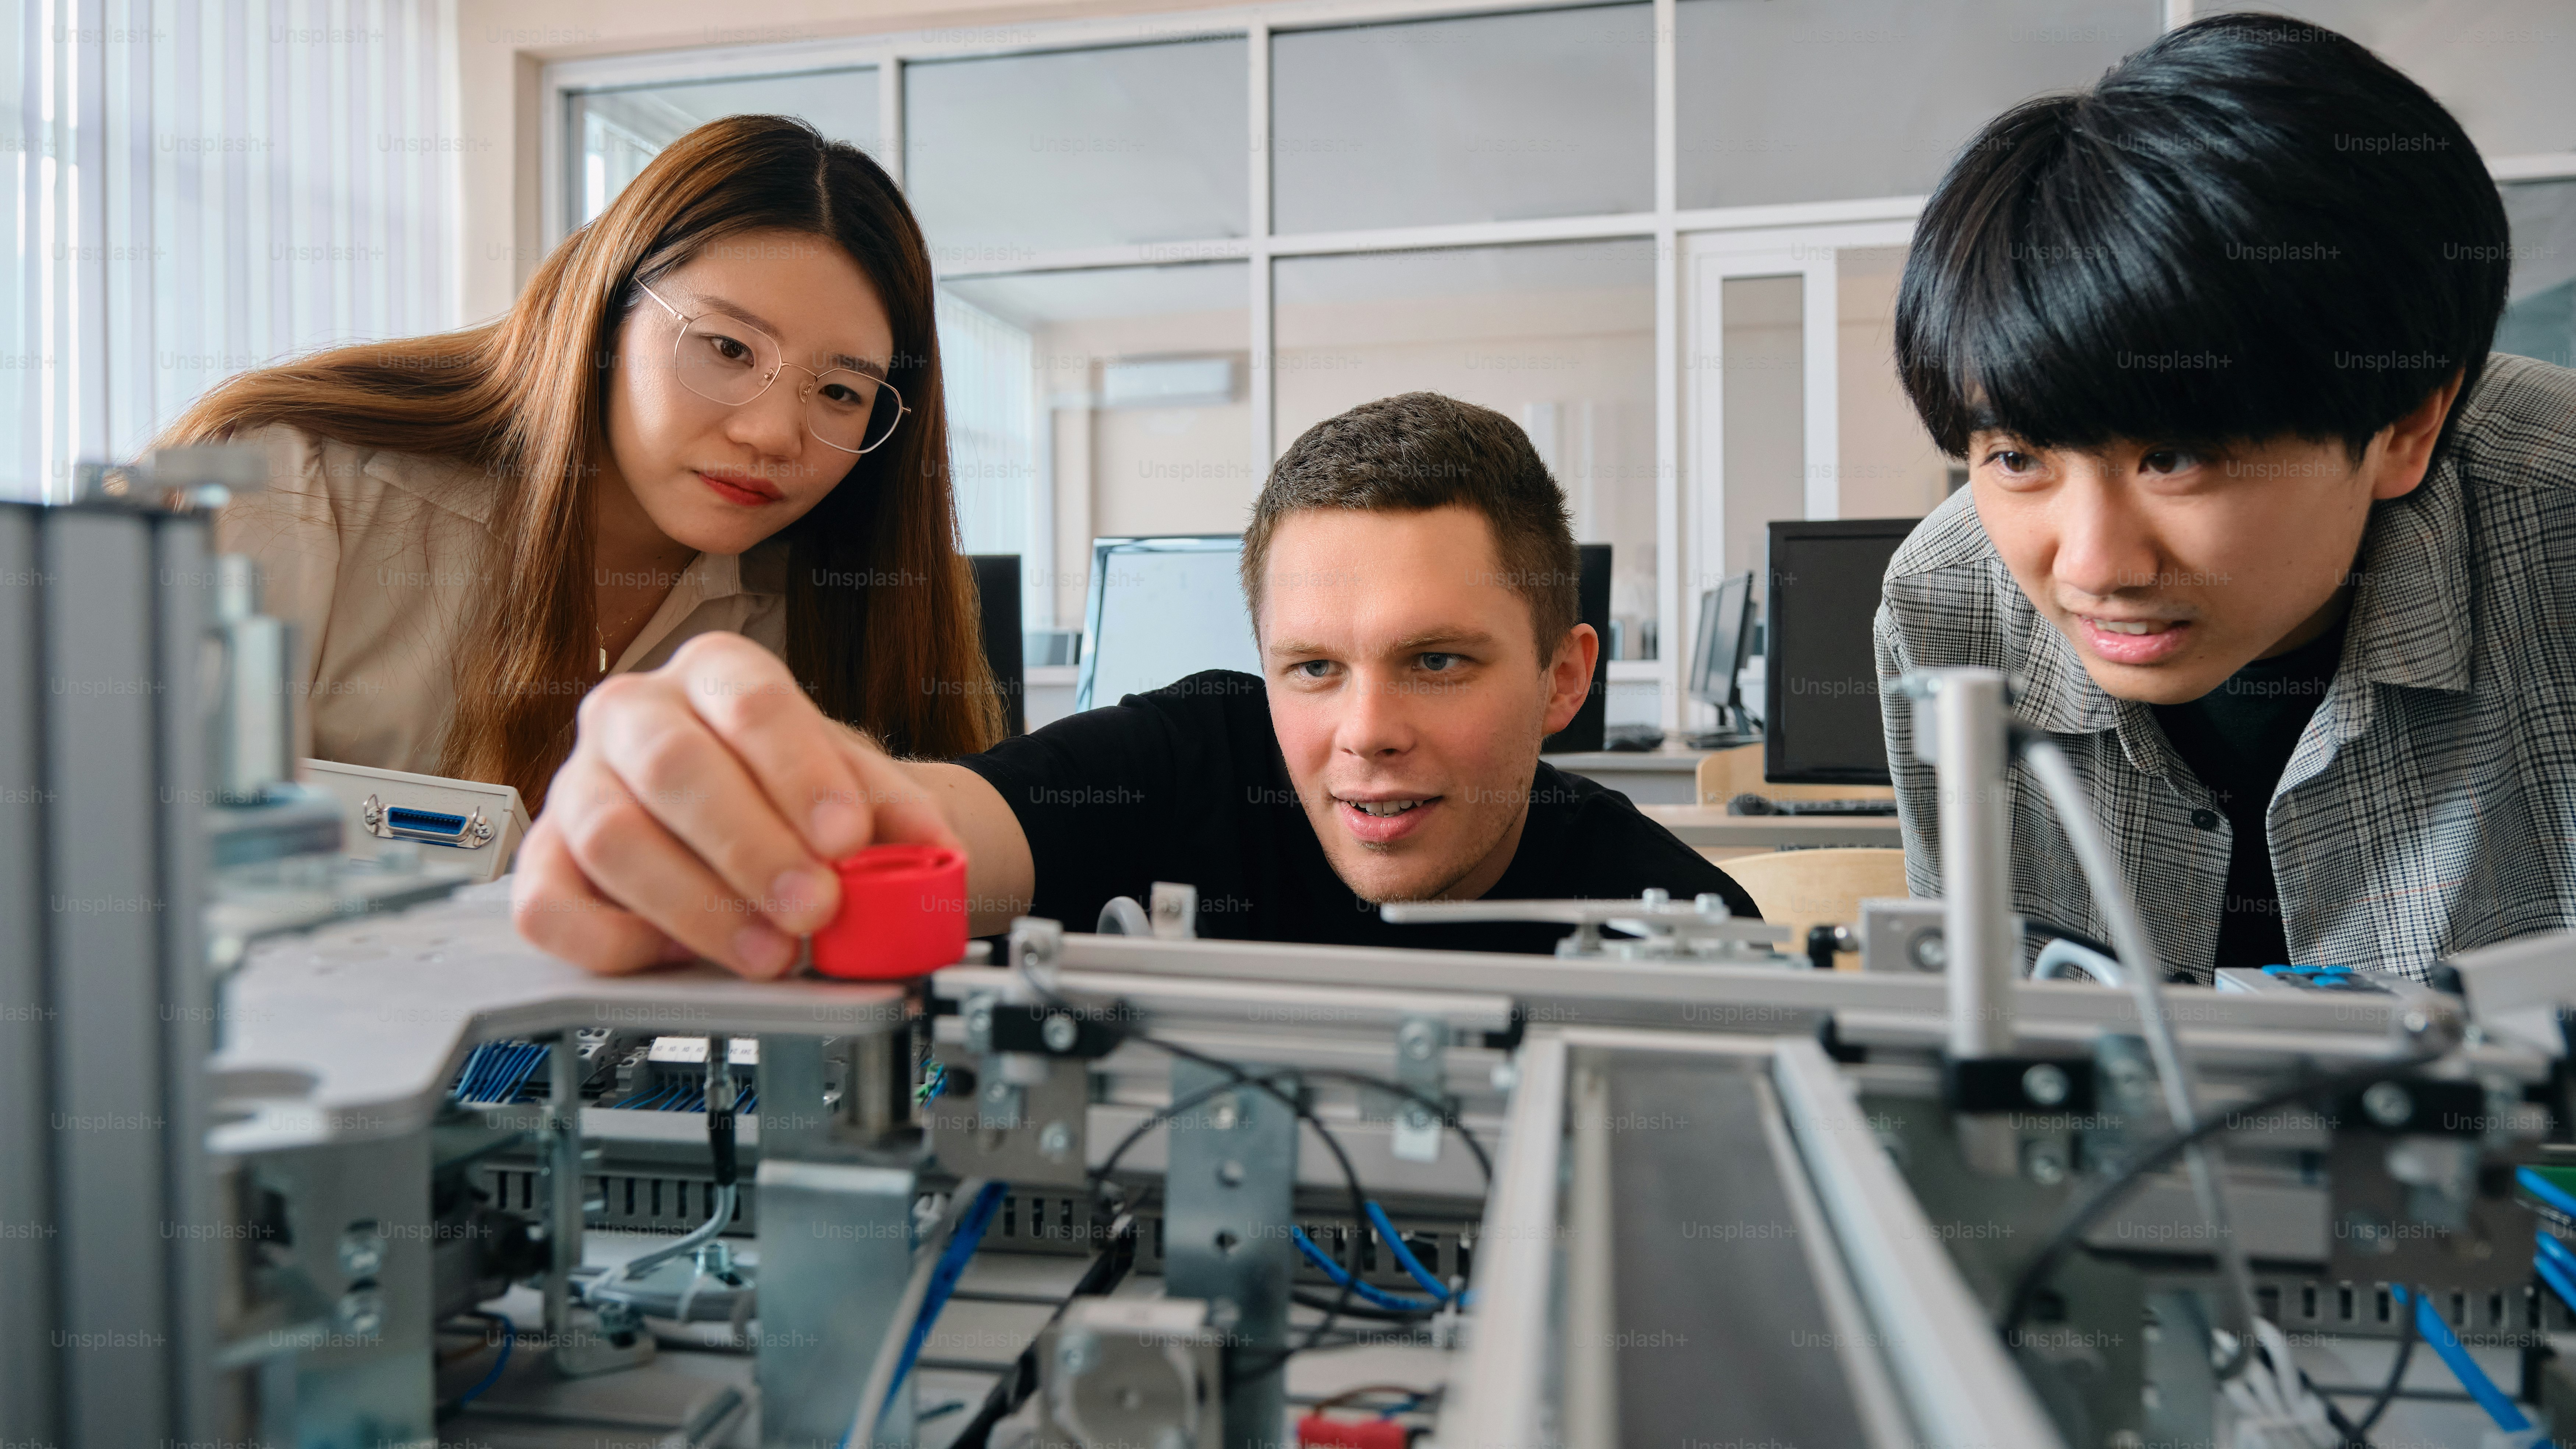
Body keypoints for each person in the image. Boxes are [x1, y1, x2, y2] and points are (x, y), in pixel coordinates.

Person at [515, 392, 1757, 976]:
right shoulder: (1184, 760)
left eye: (1438, 661)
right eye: (1313, 668)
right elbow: (939, 823)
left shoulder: (1685, 923)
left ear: (1562, 677)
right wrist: (776, 792)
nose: (1365, 734)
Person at [1873, 14, 2576, 983]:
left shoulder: (2556, 530)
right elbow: (1981, 1031)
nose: (2092, 567)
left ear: (2407, 425)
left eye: (2173, 457)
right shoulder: (1945, 604)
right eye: (2018, 458)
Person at [164, 114, 1002, 807]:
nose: (775, 435)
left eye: (841, 395)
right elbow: (125, 851)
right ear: (604, 315)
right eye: (725, 348)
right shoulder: (290, 485)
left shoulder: (831, 603)